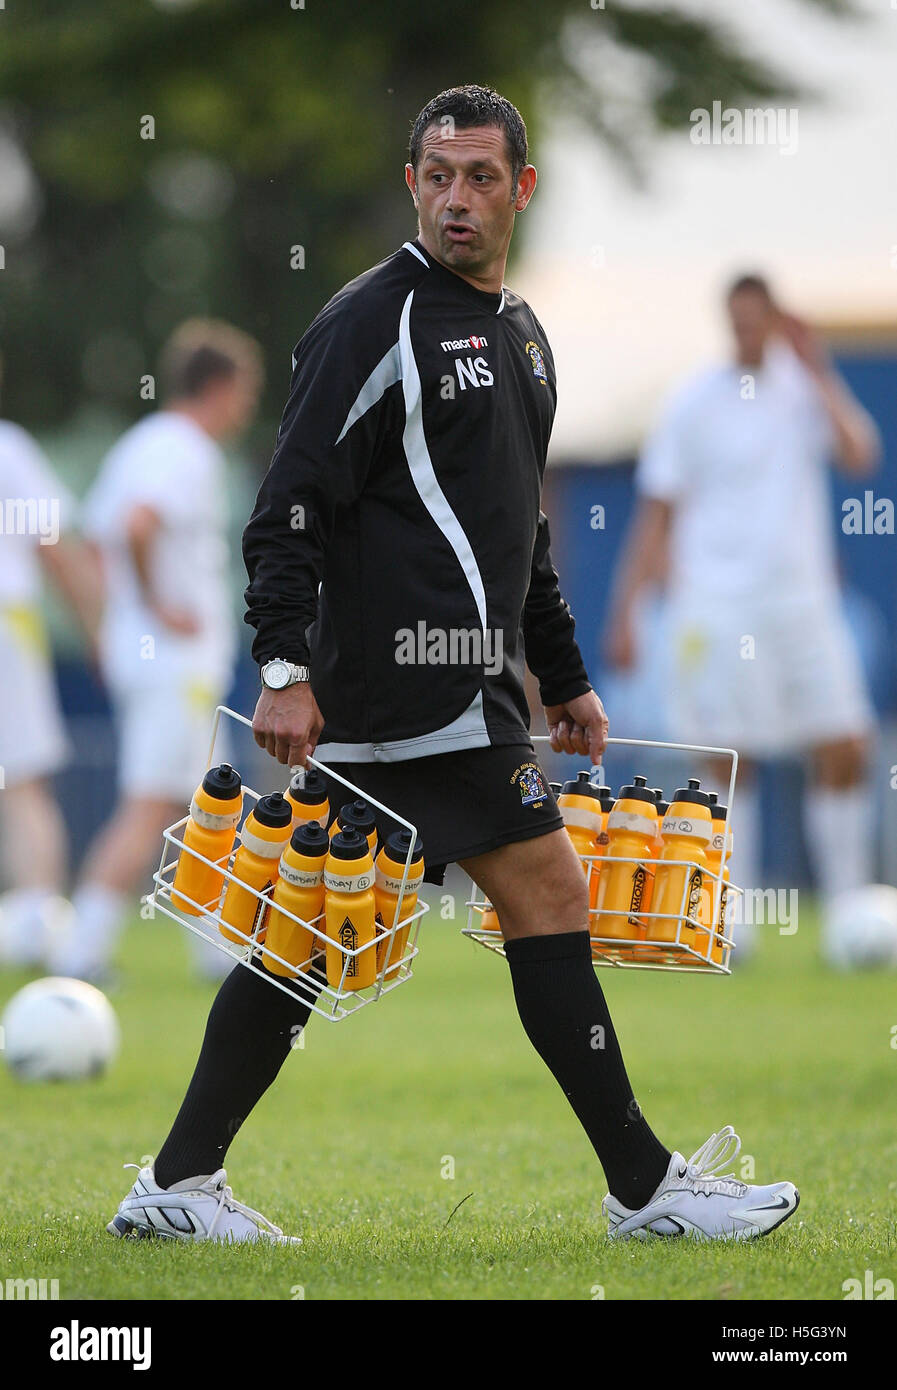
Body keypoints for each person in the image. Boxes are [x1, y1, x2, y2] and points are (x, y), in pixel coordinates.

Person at [107, 89, 798, 1245]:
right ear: (412, 182)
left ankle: (176, 1184)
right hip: (398, 696)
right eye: (438, 175)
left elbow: (516, 532)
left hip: (464, 692)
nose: (457, 197)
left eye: (482, 176)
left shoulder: (522, 332)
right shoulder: (367, 324)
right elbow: (285, 513)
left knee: (311, 937)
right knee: (543, 893)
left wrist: (563, 673)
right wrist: (283, 665)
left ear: (521, 189)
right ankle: (647, 1189)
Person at [604, 275, 880, 945]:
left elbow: (858, 455)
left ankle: (847, 910)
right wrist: (626, 609)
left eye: (760, 319)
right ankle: (737, 911)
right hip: (717, 605)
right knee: (729, 753)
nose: (749, 331)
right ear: (728, 320)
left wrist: (818, 368)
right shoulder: (692, 400)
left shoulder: (803, 390)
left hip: (804, 601)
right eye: (740, 320)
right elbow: (657, 510)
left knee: (845, 740)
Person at [52, 321, 263, 982]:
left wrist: (111, 622)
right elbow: (139, 525)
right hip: (175, 666)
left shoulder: (142, 443)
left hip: (156, 662)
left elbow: (96, 538)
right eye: (245, 391)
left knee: (206, 809)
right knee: (150, 805)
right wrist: (157, 605)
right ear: (222, 387)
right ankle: (81, 951)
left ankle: (215, 952)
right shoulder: (185, 451)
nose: (246, 407)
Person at [0, 358, 103, 966]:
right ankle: (38, 919)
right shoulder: (8, 446)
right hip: (7, 622)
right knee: (22, 779)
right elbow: (52, 548)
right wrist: (97, 630)